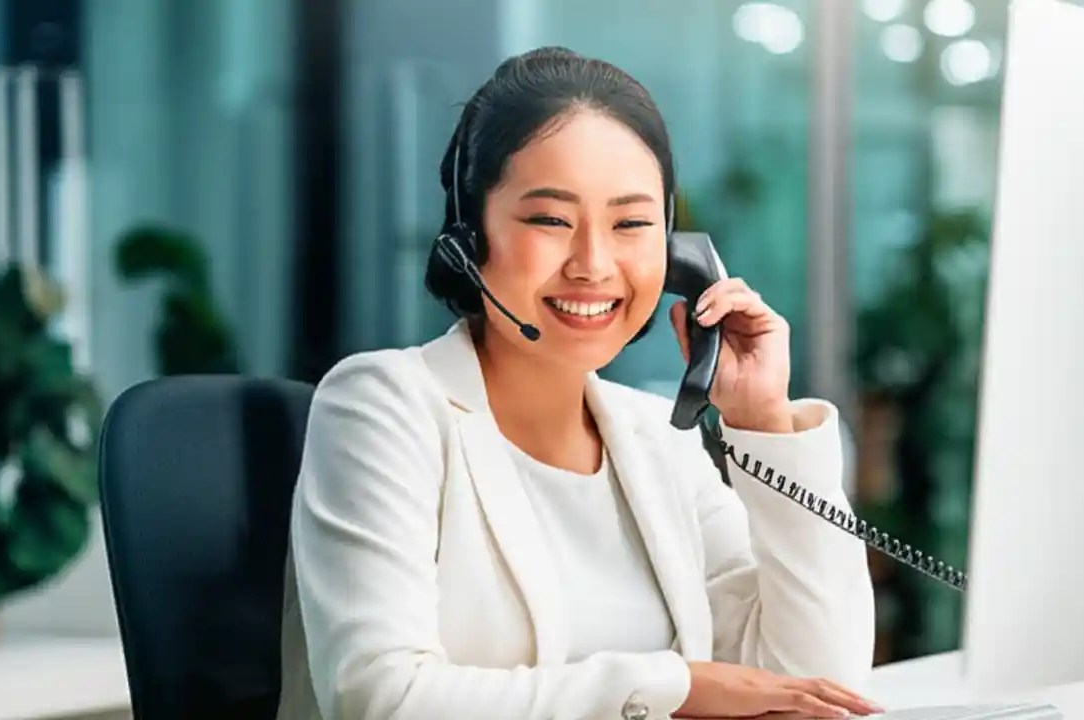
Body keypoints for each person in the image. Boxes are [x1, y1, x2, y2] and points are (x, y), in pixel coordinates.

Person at [276, 47, 879, 720]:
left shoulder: (658, 440)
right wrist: (676, 686)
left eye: (631, 224)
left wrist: (762, 420)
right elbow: (378, 698)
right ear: (469, 238)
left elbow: (820, 685)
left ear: (676, 251)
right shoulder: (383, 404)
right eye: (550, 220)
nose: (593, 264)